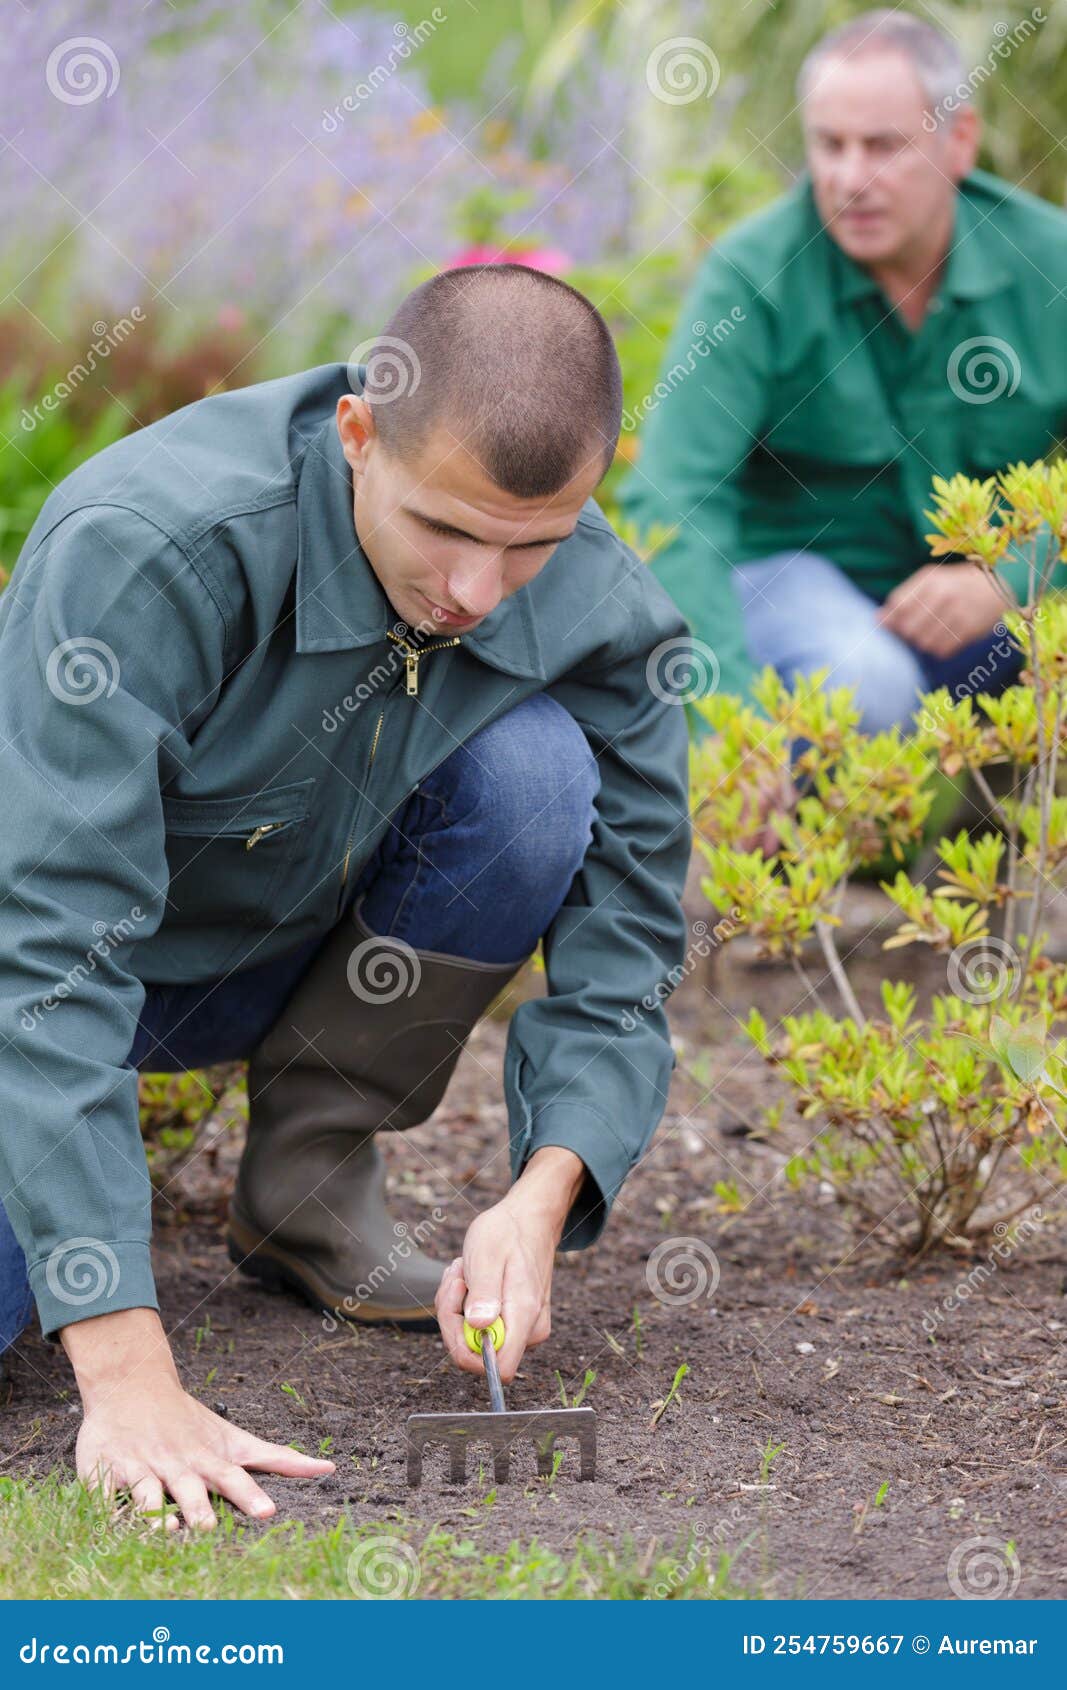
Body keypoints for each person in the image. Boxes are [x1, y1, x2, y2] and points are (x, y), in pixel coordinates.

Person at [0, 264, 692, 1529]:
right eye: (447, 529)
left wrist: (542, 1194)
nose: (478, 592)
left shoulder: (602, 611)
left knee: (536, 777)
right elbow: (44, 961)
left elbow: (629, 943)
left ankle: (303, 1189)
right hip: (49, 973)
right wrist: (127, 1371)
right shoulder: (147, 552)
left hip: (266, 957)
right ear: (358, 432)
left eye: (531, 543)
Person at [622, 7, 1067, 773]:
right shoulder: (752, 275)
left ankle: (994, 864)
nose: (848, 179)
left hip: (991, 619)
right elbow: (673, 501)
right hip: (800, 600)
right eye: (828, 145)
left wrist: (1011, 579)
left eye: (883, 146)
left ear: (957, 141)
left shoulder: (1047, 262)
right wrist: (737, 731)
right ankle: (819, 862)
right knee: (866, 682)